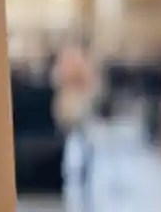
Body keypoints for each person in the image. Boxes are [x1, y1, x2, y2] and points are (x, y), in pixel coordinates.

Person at [52, 38, 100, 212]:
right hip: (73, 114)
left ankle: (80, 190)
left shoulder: (77, 66)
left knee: (81, 152)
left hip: (80, 114)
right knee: (74, 153)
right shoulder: (71, 65)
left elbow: (93, 86)